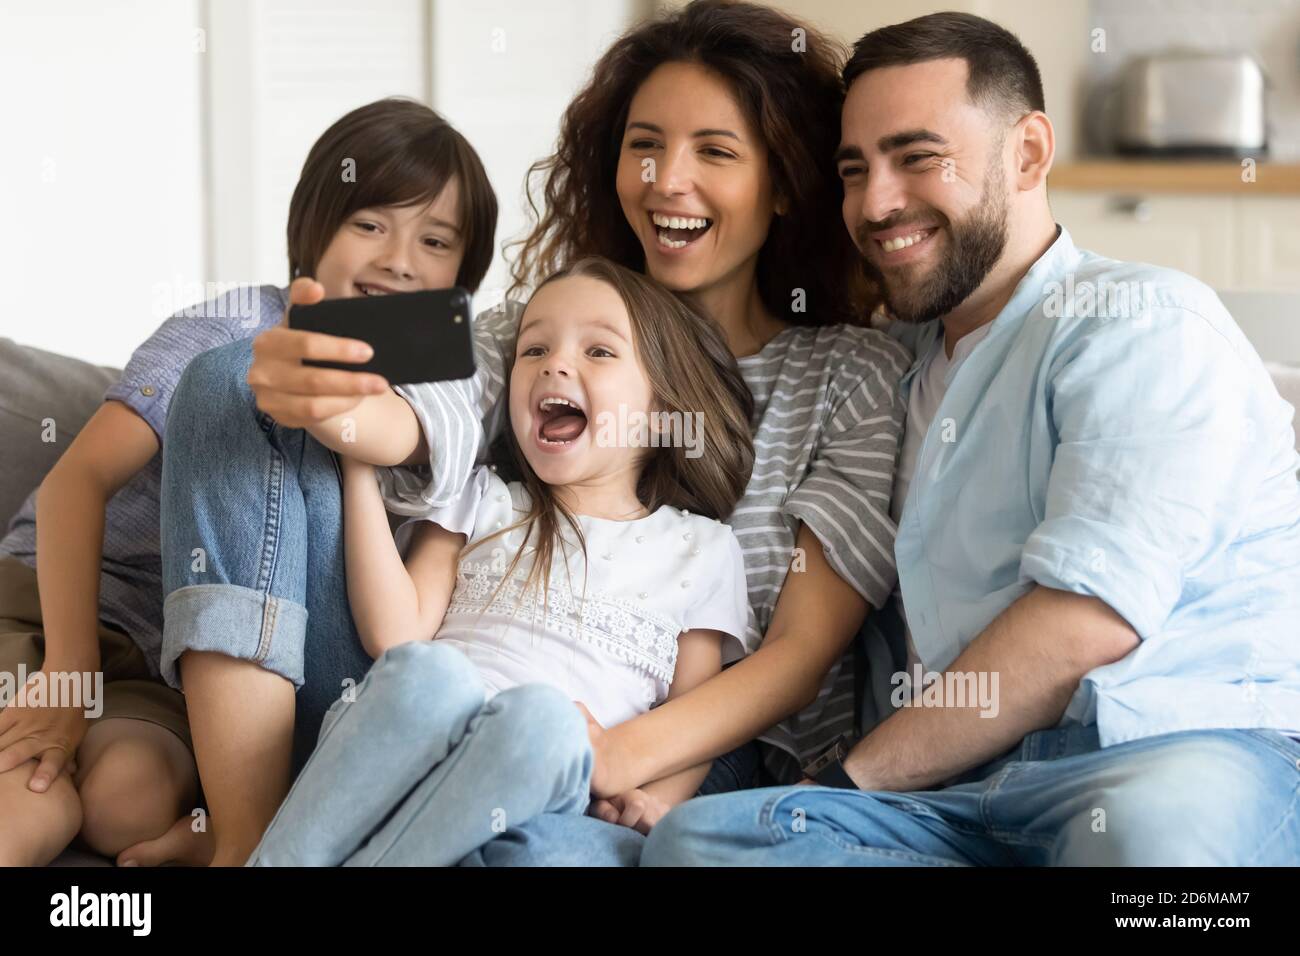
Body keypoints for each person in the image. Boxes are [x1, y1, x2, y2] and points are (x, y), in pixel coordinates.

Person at [160, 0, 910, 868]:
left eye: (715, 151)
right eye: (644, 144)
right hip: (420, 694)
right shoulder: (531, 325)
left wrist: (608, 753)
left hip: (669, 753)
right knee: (228, 381)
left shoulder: (854, 373)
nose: (667, 180)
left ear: (782, 182)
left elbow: (799, 654)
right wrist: (349, 419)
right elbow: (435, 406)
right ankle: (249, 837)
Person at [640, 11, 1300, 867]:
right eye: (855, 169)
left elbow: (1083, 623)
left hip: (1161, 751)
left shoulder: (1140, 322)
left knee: (1150, 850)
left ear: (1027, 154)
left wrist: (846, 786)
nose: (876, 204)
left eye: (918, 158)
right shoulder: (882, 363)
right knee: (703, 846)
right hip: (949, 801)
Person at [248, 257, 755, 865]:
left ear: (661, 407)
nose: (555, 364)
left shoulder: (704, 549)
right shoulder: (485, 496)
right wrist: (356, 457)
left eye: (599, 352)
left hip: (540, 785)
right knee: (430, 674)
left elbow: (691, 716)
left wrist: (655, 800)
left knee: (545, 721)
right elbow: (396, 634)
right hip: (415, 750)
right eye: (533, 348)